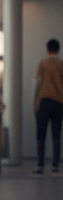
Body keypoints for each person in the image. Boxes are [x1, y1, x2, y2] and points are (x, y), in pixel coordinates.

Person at [33, 38, 63, 174]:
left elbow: (36, 84)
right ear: (58, 50)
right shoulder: (61, 64)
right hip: (59, 103)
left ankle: (40, 165)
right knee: (56, 135)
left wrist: (34, 104)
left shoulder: (42, 64)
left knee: (41, 134)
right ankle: (55, 165)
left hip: (44, 102)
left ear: (47, 50)